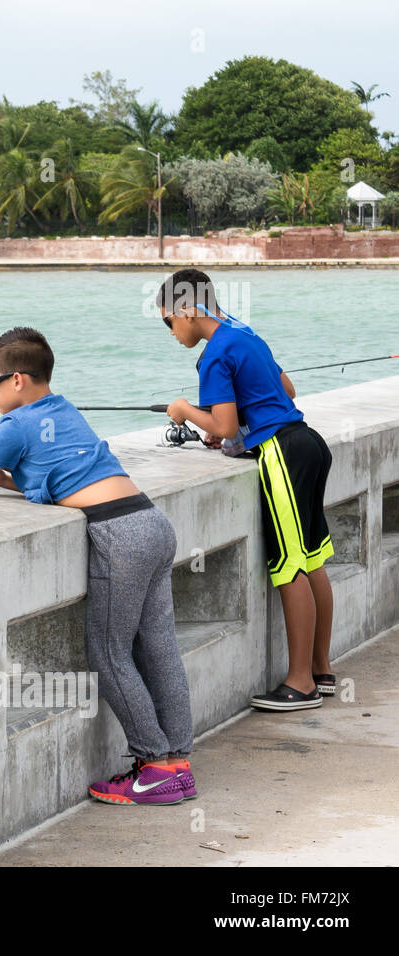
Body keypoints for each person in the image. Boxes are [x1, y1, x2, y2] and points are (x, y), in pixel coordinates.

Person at [0, 327, 196, 805]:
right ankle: (177, 763)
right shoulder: (61, 409)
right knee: (158, 648)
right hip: (150, 521)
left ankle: (153, 767)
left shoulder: (16, 425)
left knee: (110, 652)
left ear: (18, 380)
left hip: (118, 534)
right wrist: (7, 472)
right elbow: (35, 477)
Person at [158, 268, 335, 712]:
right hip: (308, 443)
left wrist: (184, 410)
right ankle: (321, 670)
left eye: (168, 322)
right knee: (311, 559)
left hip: (281, 455)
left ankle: (300, 685)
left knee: (289, 564)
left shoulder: (213, 355)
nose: (171, 332)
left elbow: (224, 425)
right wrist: (232, 424)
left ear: (185, 309)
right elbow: (286, 389)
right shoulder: (243, 333)